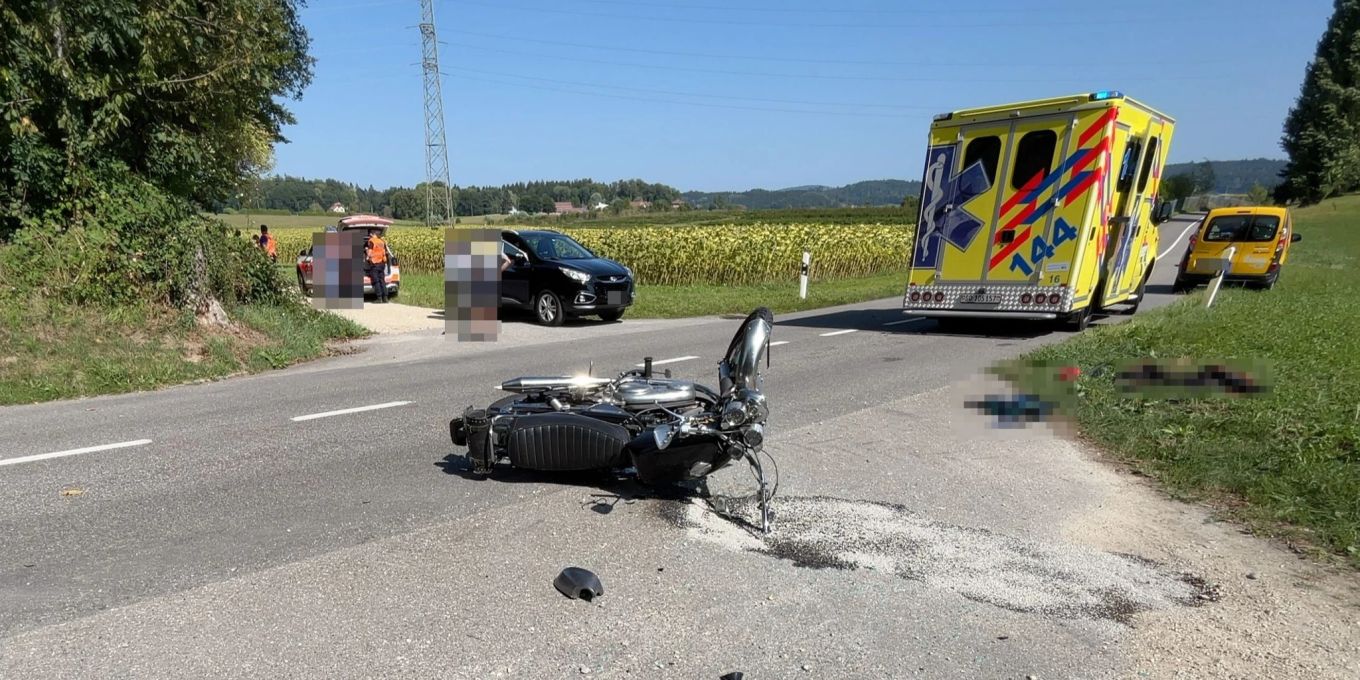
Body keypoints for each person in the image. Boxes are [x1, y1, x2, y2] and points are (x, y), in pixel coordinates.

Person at [364, 227, 389, 303]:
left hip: (375, 263)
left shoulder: (371, 241)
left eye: (370, 234)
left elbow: (370, 253)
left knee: (376, 281)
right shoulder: (381, 241)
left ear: (372, 234)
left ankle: (379, 298)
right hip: (382, 263)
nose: (369, 235)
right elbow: (385, 252)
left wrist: (366, 250)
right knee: (382, 280)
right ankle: (385, 298)